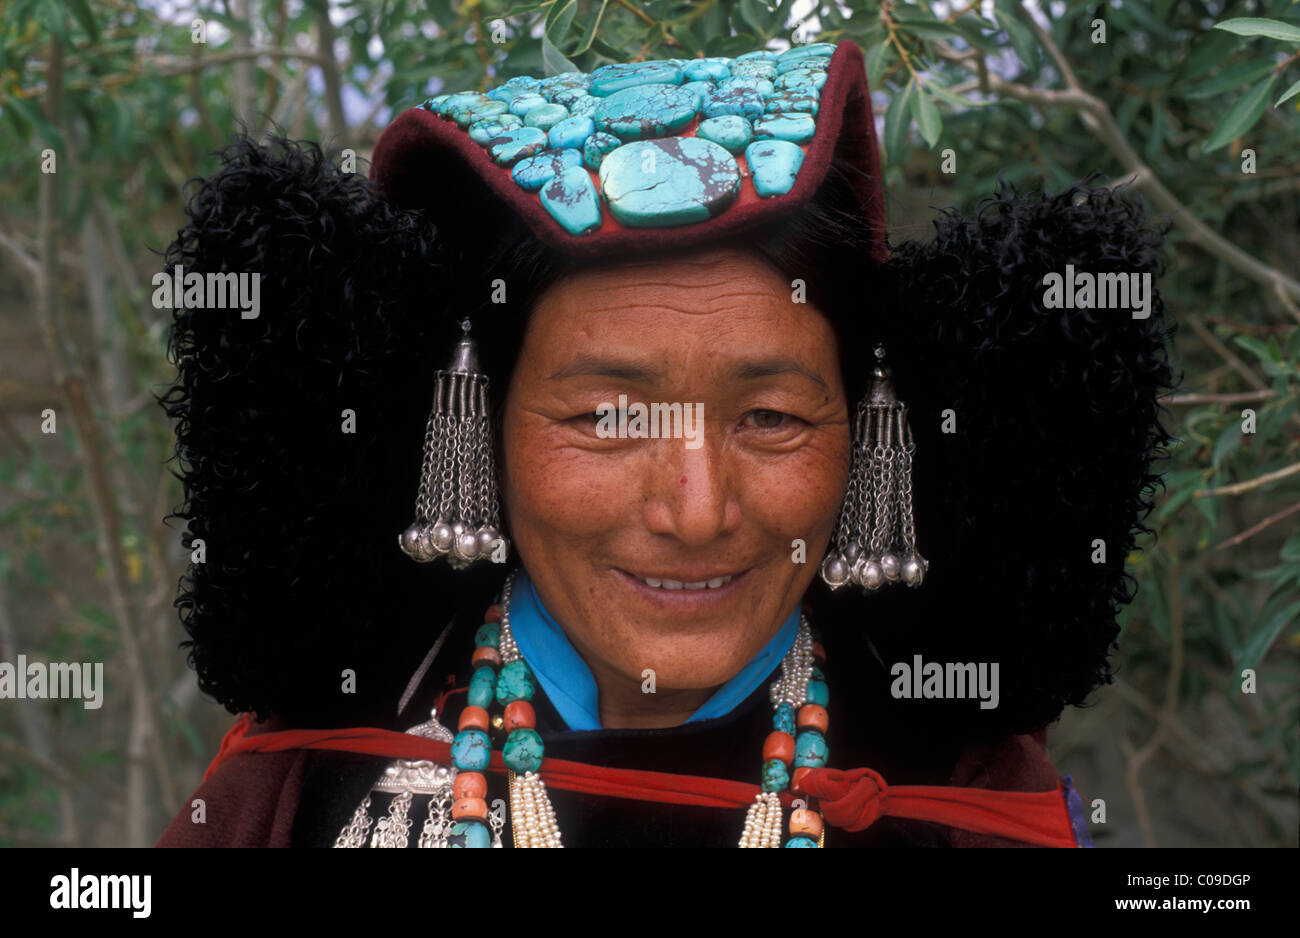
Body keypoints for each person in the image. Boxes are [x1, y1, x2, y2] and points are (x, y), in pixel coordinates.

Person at [156, 40, 1173, 847]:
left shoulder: (957, 791)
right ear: (475, 423)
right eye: (604, 416)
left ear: (867, 431)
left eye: (770, 418)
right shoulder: (313, 765)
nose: (696, 510)